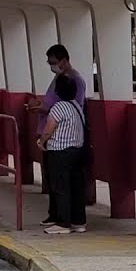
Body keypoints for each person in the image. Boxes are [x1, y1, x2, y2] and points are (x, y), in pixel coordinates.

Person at [27, 44, 87, 226]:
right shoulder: (59, 79)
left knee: (62, 183)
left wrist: (42, 140)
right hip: (68, 142)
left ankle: (64, 220)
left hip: (60, 141)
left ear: (64, 60)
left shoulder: (73, 81)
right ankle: (59, 215)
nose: (51, 66)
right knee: (57, 182)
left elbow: (53, 118)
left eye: (53, 62)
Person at [38, 73, 87, 234]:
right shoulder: (76, 106)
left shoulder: (58, 107)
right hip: (77, 151)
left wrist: (41, 141)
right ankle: (78, 222)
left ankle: (63, 223)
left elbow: (49, 129)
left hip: (59, 152)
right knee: (76, 187)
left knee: (60, 186)